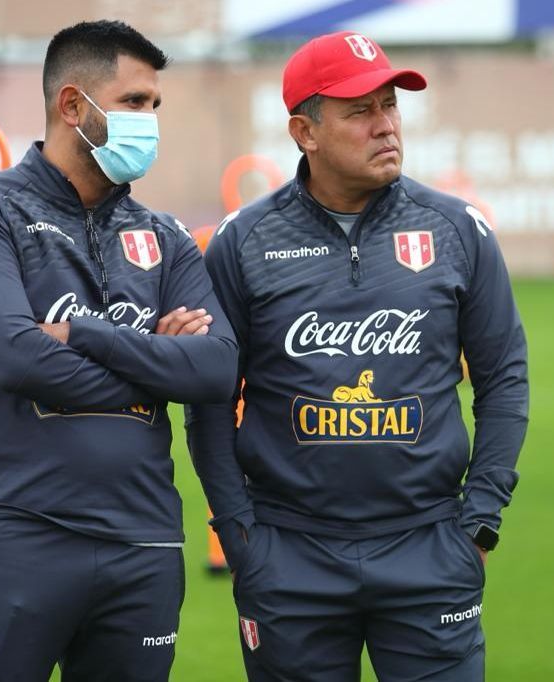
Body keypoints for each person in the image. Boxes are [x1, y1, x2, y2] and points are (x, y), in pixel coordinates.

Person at [187, 31, 528, 681]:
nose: (385, 126)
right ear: (303, 131)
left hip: (429, 549)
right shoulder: (241, 243)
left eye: (390, 106)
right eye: (359, 111)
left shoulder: (457, 230)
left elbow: (503, 378)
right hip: (288, 556)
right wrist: (238, 533)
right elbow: (208, 400)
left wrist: (478, 519)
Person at [0, 20, 237, 681]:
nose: (149, 121)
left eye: (155, 106)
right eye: (133, 103)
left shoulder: (166, 235)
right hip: (18, 536)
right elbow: (16, 359)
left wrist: (92, 336)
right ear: (73, 105)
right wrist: (156, 363)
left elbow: (215, 369)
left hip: (143, 544)